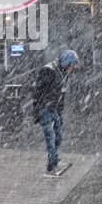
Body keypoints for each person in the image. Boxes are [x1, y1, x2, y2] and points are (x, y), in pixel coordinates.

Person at [32, 48, 79, 176]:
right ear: (66, 62)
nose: (73, 67)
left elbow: (60, 93)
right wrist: (38, 109)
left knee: (58, 136)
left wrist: (59, 111)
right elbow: (38, 91)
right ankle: (51, 167)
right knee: (51, 137)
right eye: (72, 64)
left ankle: (55, 160)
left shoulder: (63, 72)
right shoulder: (49, 70)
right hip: (45, 109)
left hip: (54, 109)